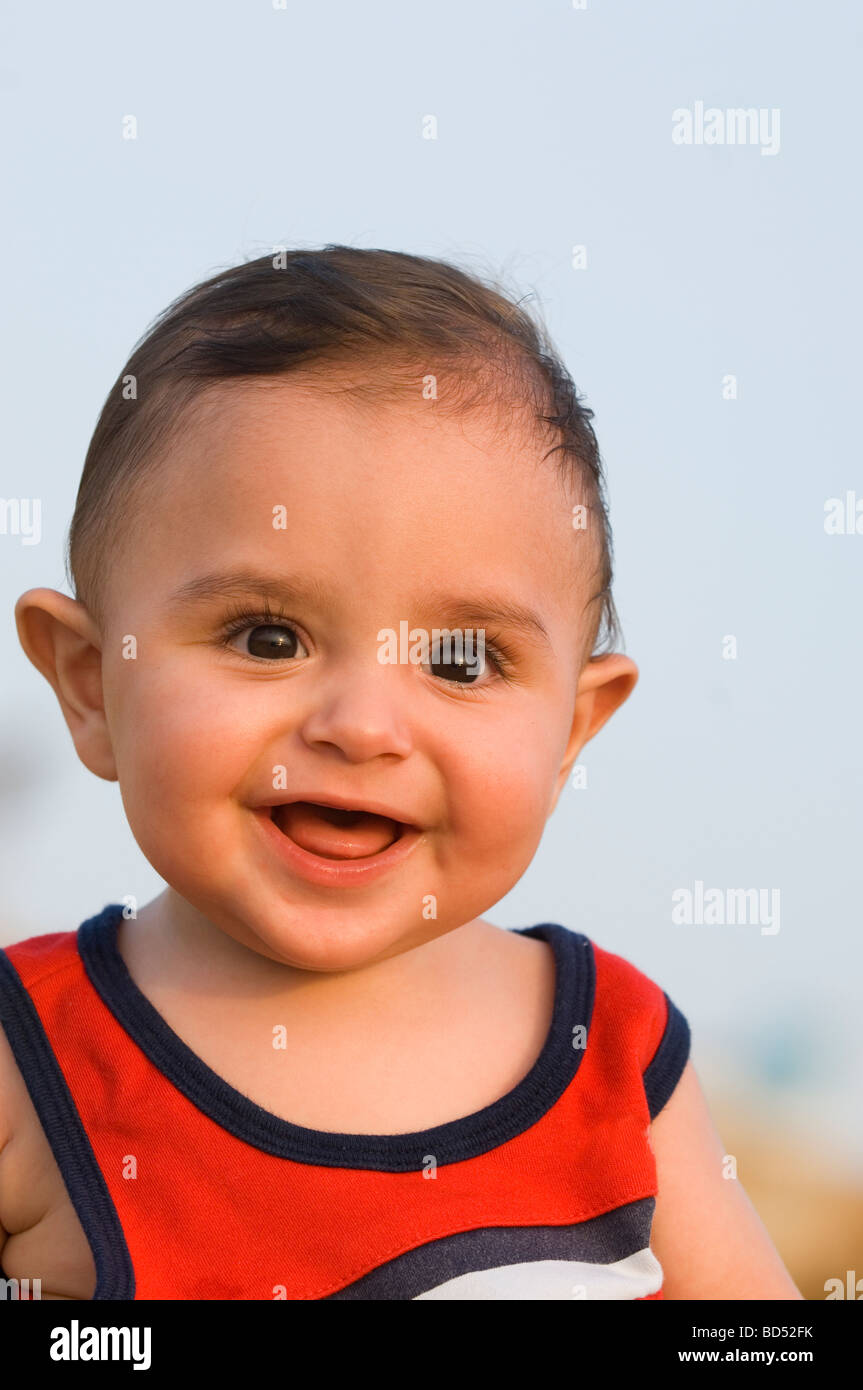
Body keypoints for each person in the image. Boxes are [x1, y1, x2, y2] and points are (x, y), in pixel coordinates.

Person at [0, 246, 802, 1300]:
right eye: (266, 636)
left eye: (461, 660)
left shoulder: (612, 1051)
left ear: (571, 727)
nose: (363, 725)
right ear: (94, 685)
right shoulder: (34, 1055)